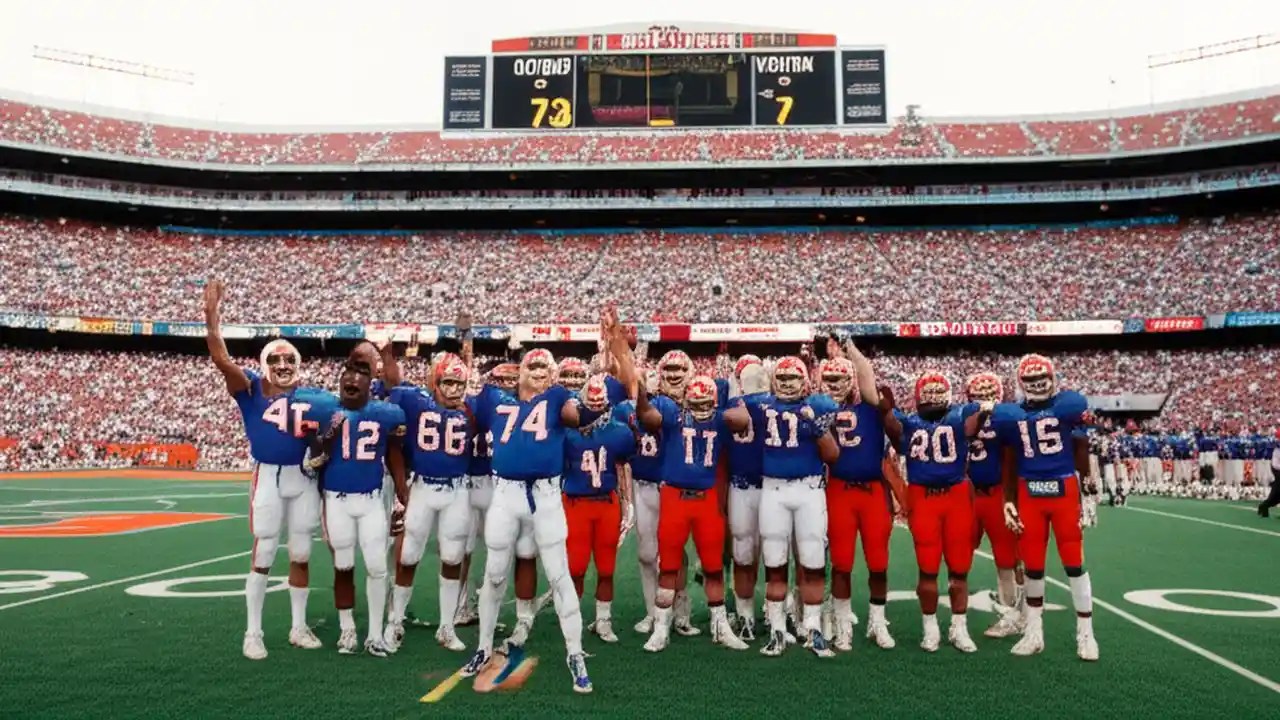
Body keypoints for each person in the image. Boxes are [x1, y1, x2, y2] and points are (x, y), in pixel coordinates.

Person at [461, 307, 630, 694]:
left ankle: (575, 652)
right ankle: (484, 646)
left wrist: (613, 347)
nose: (538, 374)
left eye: (545, 369)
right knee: (495, 573)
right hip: (504, 493)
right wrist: (466, 344)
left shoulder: (557, 399)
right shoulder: (492, 400)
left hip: (545, 494)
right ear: (518, 370)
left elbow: (580, 413)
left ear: (553, 376)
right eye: (532, 367)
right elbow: (460, 406)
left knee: (559, 574)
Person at [203, 279, 335, 660]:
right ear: (264, 364)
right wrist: (212, 318)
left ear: (298, 366)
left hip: (303, 476)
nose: (282, 365)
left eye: (289, 360)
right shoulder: (250, 389)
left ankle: (298, 626)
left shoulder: (312, 398)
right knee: (263, 551)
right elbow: (220, 358)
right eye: (275, 360)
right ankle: (253, 631)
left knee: (301, 552)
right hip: (269, 476)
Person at [635, 373, 749, 652]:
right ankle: (662, 627)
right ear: (684, 401)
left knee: (712, 565)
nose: (700, 409)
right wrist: (639, 391)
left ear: (715, 401)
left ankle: (720, 626)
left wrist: (735, 393)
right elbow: (648, 416)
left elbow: (744, 419)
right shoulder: (673, 417)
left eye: (706, 403)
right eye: (695, 404)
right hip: (675, 496)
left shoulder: (721, 420)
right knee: (669, 565)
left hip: (706, 499)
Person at [995, 354, 1098, 662]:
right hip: (1029, 491)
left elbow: (1080, 443)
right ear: (1019, 382)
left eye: (1042, 377)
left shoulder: (1067, 406)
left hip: (1063, 488)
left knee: (1074, 563)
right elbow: (1010, 461)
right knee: (1033, 565)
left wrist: (1088, 489)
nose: (1037, 384)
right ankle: (1034, 632)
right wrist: (1008, 500)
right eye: (1029, 379)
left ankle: (1086, 633)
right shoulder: (1012, 415)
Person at [883, 371, 989, 653]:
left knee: (959, 568)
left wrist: (984, 411)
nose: (932, 397)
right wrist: (885, 406)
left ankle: (959, 627)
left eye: (937, 391)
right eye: (927, 392)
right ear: (918, 397)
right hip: (924, 497)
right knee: (927, 568)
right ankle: (930, 628)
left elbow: (972, 423)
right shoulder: (909, 422)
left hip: (955, 496)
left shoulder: (960, 415)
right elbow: (892, 428)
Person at [311, 350, 408, 657]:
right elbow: (313, 457)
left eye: (360, 375)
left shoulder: (386, 413)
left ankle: (375, 634)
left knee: (378, 567)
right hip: (336, 499)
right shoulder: (325, 409)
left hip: (370, 500)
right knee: (343, 565)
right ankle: (347, 628)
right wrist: (324, 441)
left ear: (371, 384)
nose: (351, 380)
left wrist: (403, 493)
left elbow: (394, 454)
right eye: (347, 374)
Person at [745, 356, 840, 657]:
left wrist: (815, 425)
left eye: (793, 378)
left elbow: (833, 455)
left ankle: (812, 628)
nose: (787, 383)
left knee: (812, 561)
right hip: (773, 488)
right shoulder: (761, 404)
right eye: (782, 377)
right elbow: (733, 415)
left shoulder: (819, 406)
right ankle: (777, 630)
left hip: (809, 488)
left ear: (805, 380)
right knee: (775, 564)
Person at [384, 354, 474, 653]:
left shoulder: (472, 410)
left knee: (452, 557)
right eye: (447, 382)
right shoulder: (414, 401)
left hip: (458, 489)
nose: (454, 390)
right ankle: (395, 620)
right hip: (422, 486)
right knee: (408, 555)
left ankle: (446, 626)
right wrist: (400, 483)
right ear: (433, 382)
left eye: (459, 383)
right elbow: (392, 385)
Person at [820, 340, 899, 651]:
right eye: (831, 379)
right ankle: (842, 624)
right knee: (841, 563)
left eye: (841, 379)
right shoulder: (821, 406)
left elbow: (867, 377)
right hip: (839, 490)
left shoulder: (870, 405)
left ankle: (877, 621)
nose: (835, 385)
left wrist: (850, 348)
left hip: (871, 490)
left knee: (878, 562)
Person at [563, 374, 637, 642]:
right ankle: (573, 619)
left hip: (607, 502)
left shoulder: (619, 431)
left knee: (606, 567)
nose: (596, 411)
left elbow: (623, 467)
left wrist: (628, 504)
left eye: (600, 405)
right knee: (576, 567)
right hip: (576, 503)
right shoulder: (568, 432)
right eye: (591, 405)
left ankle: (603, 620)